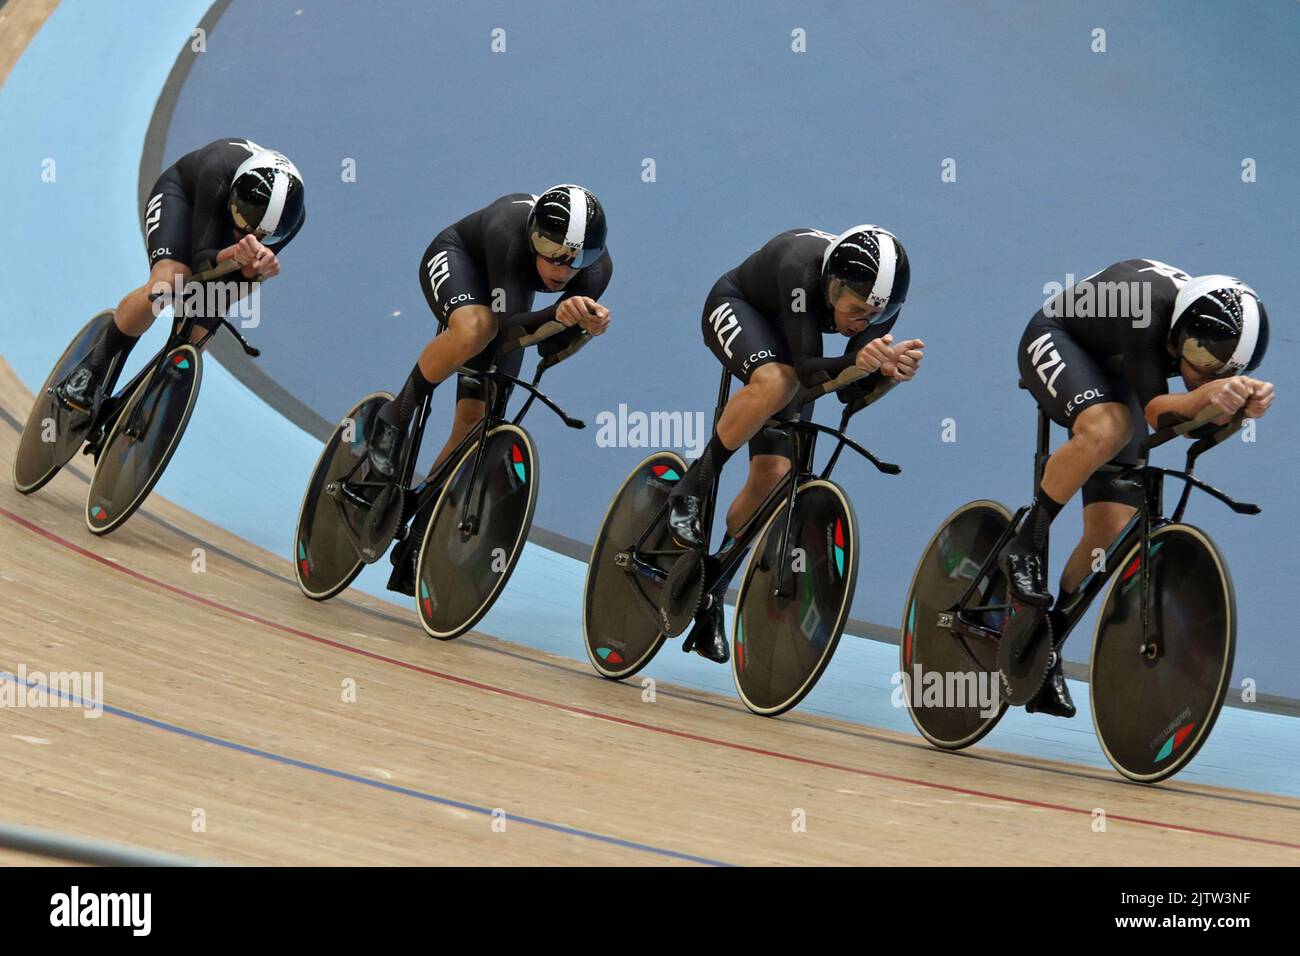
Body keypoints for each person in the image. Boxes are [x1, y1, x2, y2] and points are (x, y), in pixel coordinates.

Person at [1000, 259, 1275, 717]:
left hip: (1118, 369)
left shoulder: (1194, 339)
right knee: (1108, 429)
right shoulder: (1146, 308)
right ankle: (1025, 542)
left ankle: (1045, 646)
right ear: (1183, 332)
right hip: (1057, 338)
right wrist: (1211, 396)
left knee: (1110, 532)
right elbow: (1156, 414)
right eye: (1203, 361)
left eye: (1222, 371)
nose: (1206, 375)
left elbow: (1185, 425)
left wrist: (1241, 408)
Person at [667, 226, 924, 663]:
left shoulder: (877, 310)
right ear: (834, 285)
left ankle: (711, 591)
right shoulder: (800, 267)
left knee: (775, 476)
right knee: (777, 381)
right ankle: (692, 486)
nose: (862, 324)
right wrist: (856, 361)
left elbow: (845, 391)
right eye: (856, 311)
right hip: (741, 307)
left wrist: (887, 374)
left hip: (792, 344)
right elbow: (806, 371)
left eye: (873, 317)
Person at [371, 185, 614, 592]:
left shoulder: (595, 272)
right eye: (552, 250)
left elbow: (544, 345)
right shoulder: (508, 230)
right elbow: (502, 329)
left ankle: (419, 535)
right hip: (460, 261)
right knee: (475, 328)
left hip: (510, 304)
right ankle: (393, 418)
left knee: (477, 426)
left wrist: (583, 329)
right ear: (534, 235)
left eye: (578, 259)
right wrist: (557, 312)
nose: (563, 268)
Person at [58, 138, 305, 409]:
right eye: (246, 223)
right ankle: (92, 369)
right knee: (168, 283)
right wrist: (236, 254)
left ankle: (154, 410)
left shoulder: (289, 219)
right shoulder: (217, 170)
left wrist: (256, 269)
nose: (252, 236)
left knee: (203, 323)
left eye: (265, 236)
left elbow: (236, 281)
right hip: (184, 200)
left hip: (226, 238)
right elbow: (201, 260)